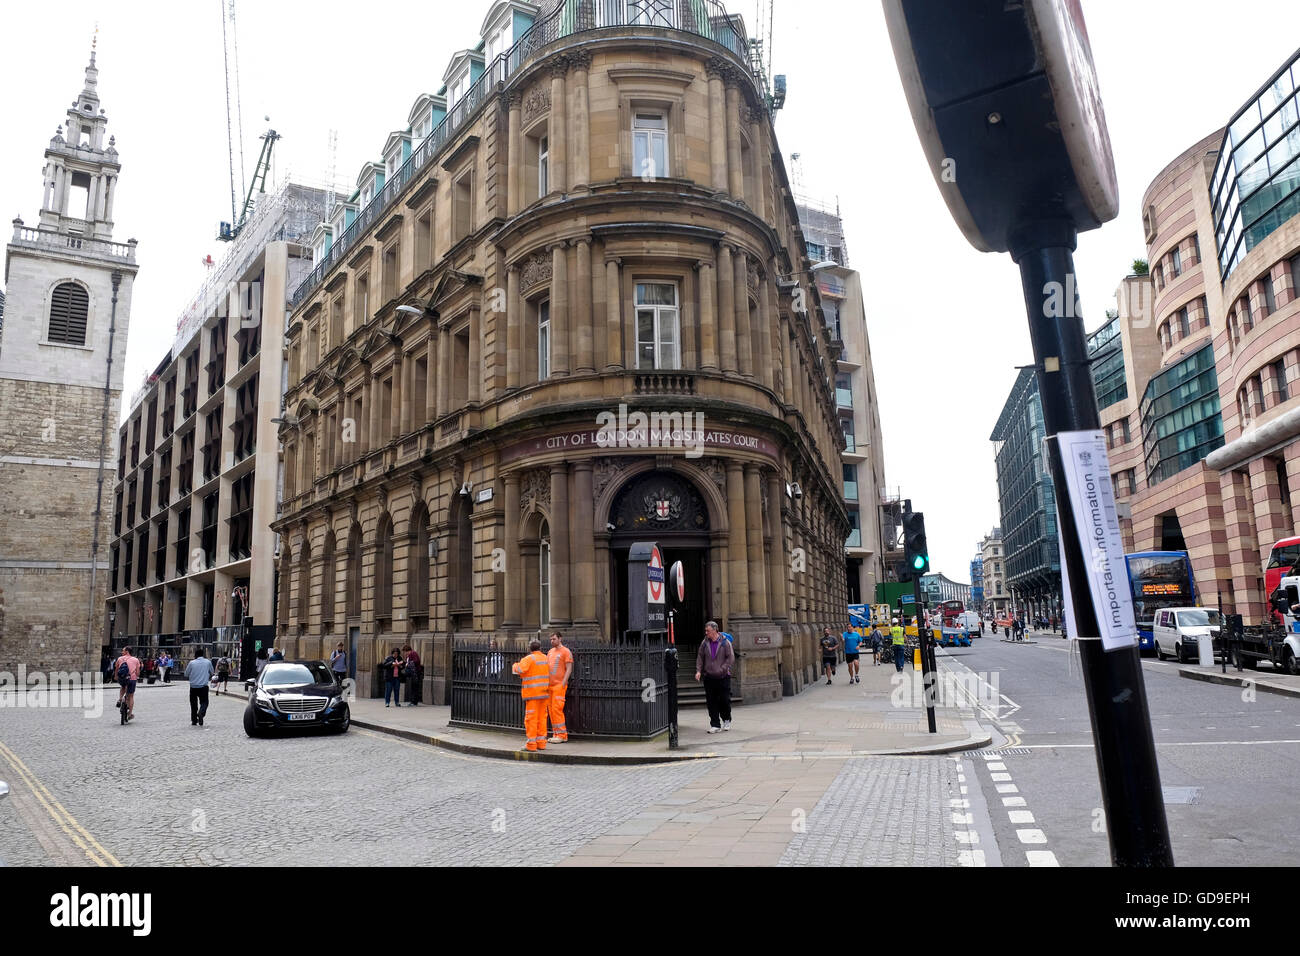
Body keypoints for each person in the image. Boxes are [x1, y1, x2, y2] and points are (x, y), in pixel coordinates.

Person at [695, 621, 735, 733]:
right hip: (709, 677)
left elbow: (730, 658)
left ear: (715, 630)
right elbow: (700, 657)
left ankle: (726, 720)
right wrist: (698, 671)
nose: (706, 632)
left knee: (724, 700)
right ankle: (715, 724)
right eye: (706, 630)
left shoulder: (725, 642)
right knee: (711, 701)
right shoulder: (704, 643)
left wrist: (722, 669)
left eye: (708, 630)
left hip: (723, 677)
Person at [512, 639, 551, 751]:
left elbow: (519, 669)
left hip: (532, 694)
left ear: (529, 648)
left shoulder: (528, 659)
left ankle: (531, 745)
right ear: (540, 647)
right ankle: (541, 743)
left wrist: (515, 664)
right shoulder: (545, 658)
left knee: (531, 719)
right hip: (544, 693)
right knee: (542, 719)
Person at [546, 631, 573, 743]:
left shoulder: (566, 651)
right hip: (550, 685)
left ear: (560, 639)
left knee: (557, 709)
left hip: (558, 685)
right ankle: (556, 733)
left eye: (554, 639)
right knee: (551, 710)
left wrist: (563, 683)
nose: (552, 641)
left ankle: (562, 735)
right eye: (551, 639)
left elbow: (569, 668)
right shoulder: (550, 651)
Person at [184, 648, 215, 726]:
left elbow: (186, 674)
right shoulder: (208, 662)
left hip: (193, 687)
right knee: (204, 702)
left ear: (196, 655)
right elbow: (212, 672)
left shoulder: (191, 663)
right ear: (202, 655)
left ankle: (194, 720)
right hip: (203, 687)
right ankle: (201, 713)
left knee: (193, 704)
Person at [113, 646, 142, 721]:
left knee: (123, 686)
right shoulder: (136, 660)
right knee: (131, 696)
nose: (122, 652)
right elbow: (138, 673)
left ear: (127, 651)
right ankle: (130, 714)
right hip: (132, 679)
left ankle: (120, 699)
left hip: (122, 678)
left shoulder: (119, 659)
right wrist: (136, 675)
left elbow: (116, 669)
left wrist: (116, 677)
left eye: (123, 651)